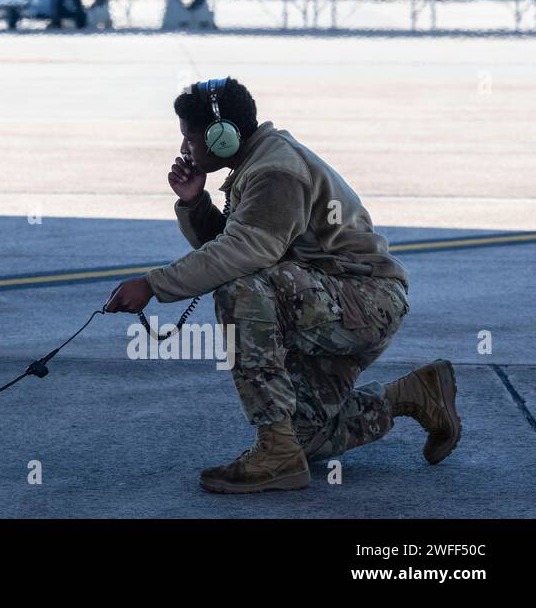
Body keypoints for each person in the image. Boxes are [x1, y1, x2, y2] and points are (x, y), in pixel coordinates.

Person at [104, 77, 461, 493]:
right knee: (306, 435)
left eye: (190, 137)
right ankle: (414, 394)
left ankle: (275, 452)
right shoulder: (259, 162)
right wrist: (194, 202)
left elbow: (245, 252)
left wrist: (153, 284)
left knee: (240, 291)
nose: (185, 148)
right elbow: (240, 244)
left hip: (364, 300)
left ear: (222, 137)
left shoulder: (276, 170)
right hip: (329, 302)